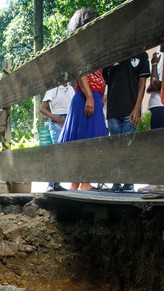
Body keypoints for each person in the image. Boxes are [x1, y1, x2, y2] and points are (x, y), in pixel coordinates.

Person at [57, 8, 108, 191]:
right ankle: (84, 184)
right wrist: (90, 97)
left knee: (84, 139)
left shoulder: (88, 46)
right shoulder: (81, 46)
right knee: (89, 140)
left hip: (91, 95)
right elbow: (81, 73)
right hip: (87, 96)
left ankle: (76, 184)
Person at [102, 50, 151, 192]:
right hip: (113, 111)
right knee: (116, 148)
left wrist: (137, 108)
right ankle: (116, 182)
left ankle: (129, 182)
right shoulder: (110, 59)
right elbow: (108, 84)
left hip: (130, 110)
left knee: (128, 147)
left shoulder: (141, 55)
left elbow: (142, 84)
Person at [138, 50, 164, 193]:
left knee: (157, 145)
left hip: (161, 104)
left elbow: (154, 83)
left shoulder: (161, 58)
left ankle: (157, 183)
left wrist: (153, 64)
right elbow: (152, 86)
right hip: (162, 105)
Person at [40, 82, 73, 191]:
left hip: (69, 119)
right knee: (56, 152)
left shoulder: (71, 89)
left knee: (65, 153)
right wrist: (56, 119)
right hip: (57, 120)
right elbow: (42, 109)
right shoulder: (53, 89)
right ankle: (51, 183)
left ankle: (57, 184)